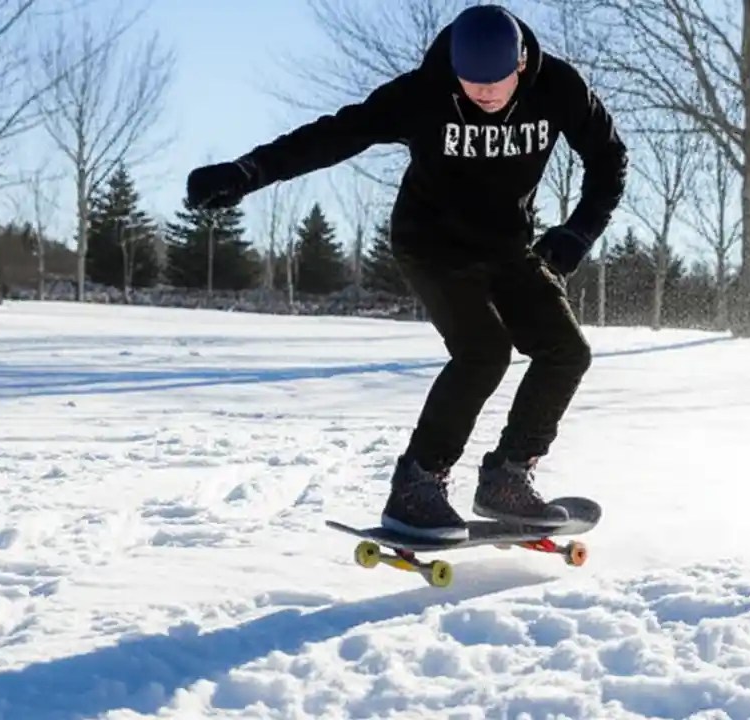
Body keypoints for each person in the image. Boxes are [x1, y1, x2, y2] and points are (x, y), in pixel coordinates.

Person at [185, 4, 627, 540]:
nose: (483, 94)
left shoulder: (560, 87)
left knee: (567, 351)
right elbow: (335, 135)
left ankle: (507, 478)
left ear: (522, 63)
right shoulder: (424, 91)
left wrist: (577, 232)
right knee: (483, 353)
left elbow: (609, 160)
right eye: (471, 82)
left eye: (496, 82)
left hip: (509, 246)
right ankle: (417, 484)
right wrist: (246, 171)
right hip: (431, 243)